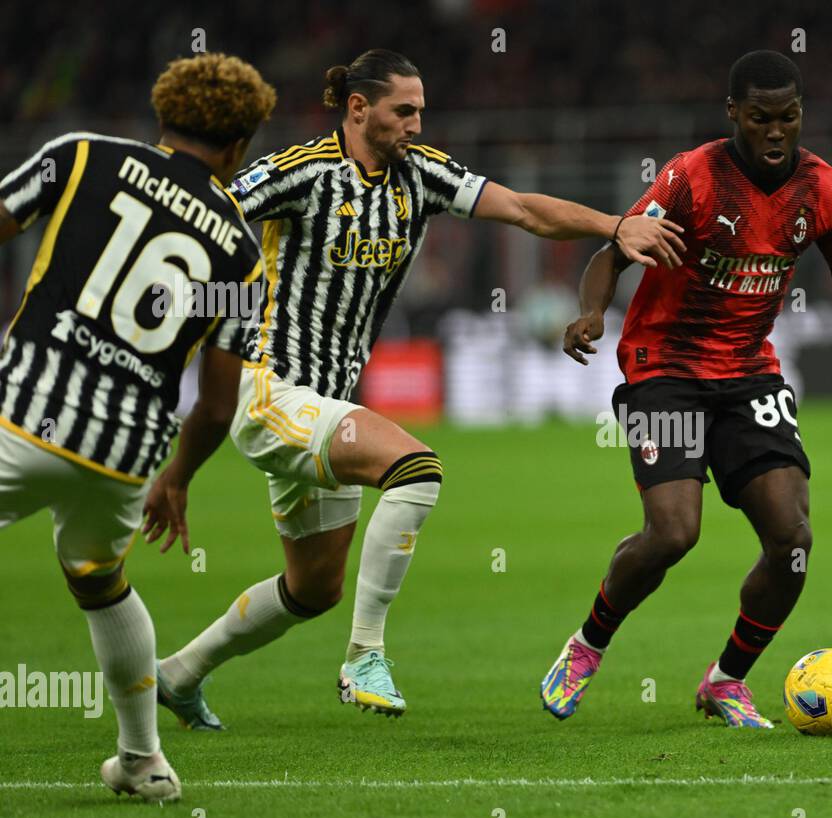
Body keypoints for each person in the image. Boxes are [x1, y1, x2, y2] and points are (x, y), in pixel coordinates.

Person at [150, 49, 687, 727]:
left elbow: (523, 208)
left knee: (312, 588)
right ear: (357, 108)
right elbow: (207, 210)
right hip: (270, 390)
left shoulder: (423, 175)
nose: (415, 122)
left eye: (421, 110)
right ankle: (364, 656)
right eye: (403, 110)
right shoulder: (302, 173)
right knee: (416, 468)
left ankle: (178, 674)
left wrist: (614, 225)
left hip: (330, 403)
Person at [540, 50, 832, 728]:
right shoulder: (691, 178)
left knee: (792, 539)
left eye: (790, 117)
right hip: (667, 371)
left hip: (748, 375)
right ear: (734, 115)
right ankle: (587, 646)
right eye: (762, 119)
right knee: (673, 534)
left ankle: (725, 680)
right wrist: (594, 310)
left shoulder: (824, 190)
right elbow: (612, 251)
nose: (777, 132)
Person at [0, 53, 275, 797]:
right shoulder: (245, 257)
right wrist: (177, 479)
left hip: (23, 411)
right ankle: (145, 761)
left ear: (162, 116)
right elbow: (217, 403)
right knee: (101, 581)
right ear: (239, 147)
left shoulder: (80, 154)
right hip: (122, 451)